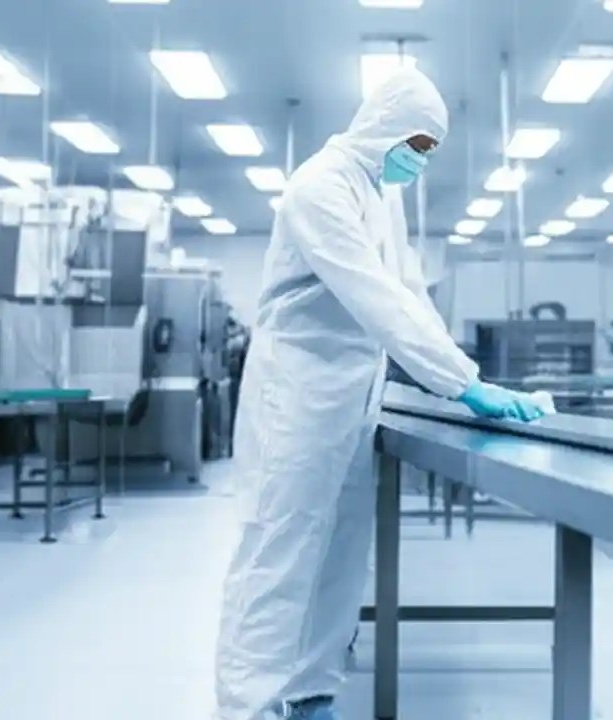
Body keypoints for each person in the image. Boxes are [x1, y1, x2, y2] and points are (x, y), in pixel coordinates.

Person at [213, 68, 545, 720]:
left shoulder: (379, 192)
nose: (420, 160)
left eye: (429, 150)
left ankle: (310, 693)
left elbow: (411, 292)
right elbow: (376, 298)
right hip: (298, 400)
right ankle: (247, 708)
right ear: (385, 124)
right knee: (277, 559)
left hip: (351, 400)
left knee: (340, 550)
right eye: (417, 144)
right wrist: (461, 383)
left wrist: (462, 372)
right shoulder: (318, 188)